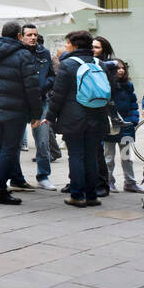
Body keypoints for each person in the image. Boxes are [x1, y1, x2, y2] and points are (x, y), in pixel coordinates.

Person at [0, 21, 42, 205]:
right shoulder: (23, 55)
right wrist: (36, 112)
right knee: (10, 148)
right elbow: (31, 87)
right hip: (15, 111)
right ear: (19, 36)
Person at [47, 30, 111, 208]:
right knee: (91, 157)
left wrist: (50, 117)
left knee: (76, 156)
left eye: (67, 43)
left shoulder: (67, 64)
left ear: (74, 45)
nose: (66, 46)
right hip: (97, 116)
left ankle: (77, 195)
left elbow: (58, 95)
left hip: (73, 118)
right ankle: (91, 196)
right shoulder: (100, 63)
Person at [21, 24, 56, 189]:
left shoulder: (44, 53)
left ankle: (43, 176)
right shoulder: (17, 53)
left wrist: (44, 85)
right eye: (29, 35)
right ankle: (13, 175)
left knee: (43, 142)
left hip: (41, 101)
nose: (33, 37)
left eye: (35, 34)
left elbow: (52, 75)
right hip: (20, 102)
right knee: (14, 142)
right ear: (22, 36)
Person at [103, 59, 141, 193]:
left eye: (123, 68)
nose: (121, 70)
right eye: (117, 68)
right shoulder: (106, 85)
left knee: (127, 157)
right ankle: (108, 182)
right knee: (108, 157)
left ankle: (130, 182)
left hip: (126, 127)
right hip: (111, 128)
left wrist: (133, 119)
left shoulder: (128, 85)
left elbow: (133, 103)